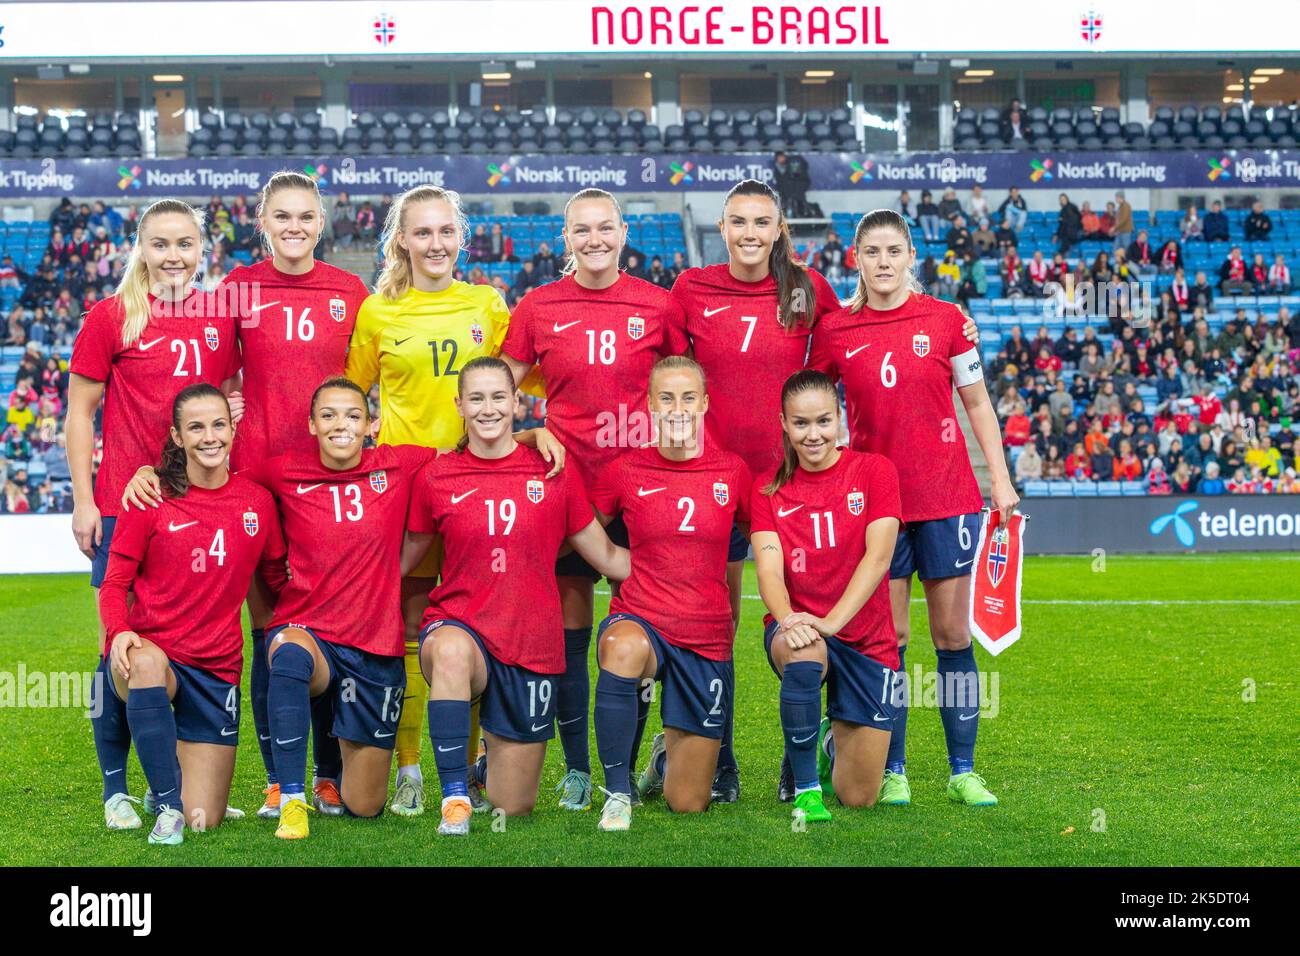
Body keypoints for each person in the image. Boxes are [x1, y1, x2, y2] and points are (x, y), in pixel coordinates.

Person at [346, 184, 558, 818]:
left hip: (481, 485)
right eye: (423, 232)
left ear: (460, 238)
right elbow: (350, 400)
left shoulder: (489, 305)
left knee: (471, 629)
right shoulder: (376, 314)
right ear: (402, 240)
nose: (435, 243)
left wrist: (536, 427)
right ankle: (410, 766)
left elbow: (524, 379)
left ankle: (465, 767)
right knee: (408, 632)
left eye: (446, 232)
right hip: (406, 488)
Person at [810, 208, 1019, 808]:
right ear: (856, 259)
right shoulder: (836, 331)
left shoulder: (948, 320)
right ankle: (894, 767)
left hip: (948, 497)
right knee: (891, 638)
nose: (882, 263)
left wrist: (1000, 482)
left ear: (910, 258)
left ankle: (962, 770)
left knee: (951, 636)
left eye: (893, 251)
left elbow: (977, 404)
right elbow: (810, 406)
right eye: (871, 252)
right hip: (875, 506)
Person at [498, 187, 680, 811]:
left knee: (647, 629)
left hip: (643, 489)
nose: (595, 239)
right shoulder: (538, 306)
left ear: (624, 232)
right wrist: (526, 428)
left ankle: (629, 764)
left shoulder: (657, 304)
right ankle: (578, 769)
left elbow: (683, 391)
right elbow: (493, 393)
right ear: (566, 237)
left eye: (606, 227)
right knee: (571, 634)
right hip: (567, 488)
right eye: (583, 229)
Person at [666, 179, 846, 802]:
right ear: (722, 227)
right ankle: (717, 756)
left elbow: (838, 367)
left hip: (789, 486)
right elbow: (668, 380)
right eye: (738, 221)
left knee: (805, 619)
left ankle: (805, 758)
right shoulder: (691, 289)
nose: (749, 233)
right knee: (715, 624)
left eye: (761, 222)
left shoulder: (807, 289)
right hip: (712, 483)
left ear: (778, 229)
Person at [68, 199, 243, 832]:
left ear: (203, 250)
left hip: (196, 504)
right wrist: (86, 501)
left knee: (190, 640)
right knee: (115, 647)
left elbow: (224, 402)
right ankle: (116, 788)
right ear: (140, 249)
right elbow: (79, 413)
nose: (174, 257)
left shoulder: (220, 318)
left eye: (186, 245)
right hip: (124, 504)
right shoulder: (111, 317)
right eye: (161, 244)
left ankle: (170, 780)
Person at [403, 357, 630, 835]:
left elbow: (607, 556)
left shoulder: (553, 472)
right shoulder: (436, 476)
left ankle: (486, 772)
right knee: (448, 652)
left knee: (514, 805)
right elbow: (406, 555)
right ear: (459, 405)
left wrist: (682, 573)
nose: (488, 408)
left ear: (518, 402)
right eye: (477, 398)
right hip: (460, 626)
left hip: (530, 641)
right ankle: (455, 799)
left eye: (498, 397)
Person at [219, 171, 371, 820]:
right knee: (269, 632)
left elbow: (371, 386)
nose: (294, 227)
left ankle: (330, 774)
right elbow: (217, 379)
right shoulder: (235, 289)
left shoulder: (349, 291)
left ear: (322, 222)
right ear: (262, 221)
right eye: (282, 217)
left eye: (305, 217)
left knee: (327, 631)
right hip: (254, 481)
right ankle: (282, 781)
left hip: (328, 485)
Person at [99, 385, 286, 845]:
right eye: (196, 427)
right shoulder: (150, 498)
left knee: (205, 816)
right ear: (177, 437)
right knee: (138, 659)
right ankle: (165, 805)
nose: (210, 436)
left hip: (216, 668)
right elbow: (114, 584)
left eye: (218, 424)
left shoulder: (257, 503)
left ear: (233, 428)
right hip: (154, 657)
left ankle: (168, 783)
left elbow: (280, 583)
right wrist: (119, 629)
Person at [588, 356, 752, 830]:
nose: (677, 408)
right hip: (642, 619)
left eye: (687, 397)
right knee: (622, 648)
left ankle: (664, 762)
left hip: (704, 636)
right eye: (666, 398)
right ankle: (617, 792)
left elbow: (765, 537)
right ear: (650, 405)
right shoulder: (625, 470)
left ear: (704, 403)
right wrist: (618, 563)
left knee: (688, 802)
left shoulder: (732, 472)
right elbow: (580, 526)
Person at [751, 370, 902, 821]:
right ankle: (805, 791)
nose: (813, 434)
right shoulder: (768, 490)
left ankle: (828, 739)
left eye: (823, 421)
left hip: (866, 639)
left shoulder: (875, 471)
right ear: (783, 423)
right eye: (800, 424)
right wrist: (789, 619)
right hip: (799, 631)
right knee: (806, 651)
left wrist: (833, 621)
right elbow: (769, 572)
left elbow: (877, 559)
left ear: (839, 419)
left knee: (860, 797)